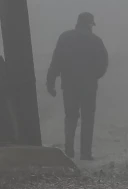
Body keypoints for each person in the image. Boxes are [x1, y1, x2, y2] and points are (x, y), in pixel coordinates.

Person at [46, 12, 109, 160]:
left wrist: (51, 82)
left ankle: (68, 152)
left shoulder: (65, 38)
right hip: (89, 87)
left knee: (70, 117)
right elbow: (103, 63)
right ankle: (85, 154)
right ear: (89, 25)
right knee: (87, 119)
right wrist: (94, 76)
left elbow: (56, 61)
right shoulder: (96, 41)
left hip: (69, 85)